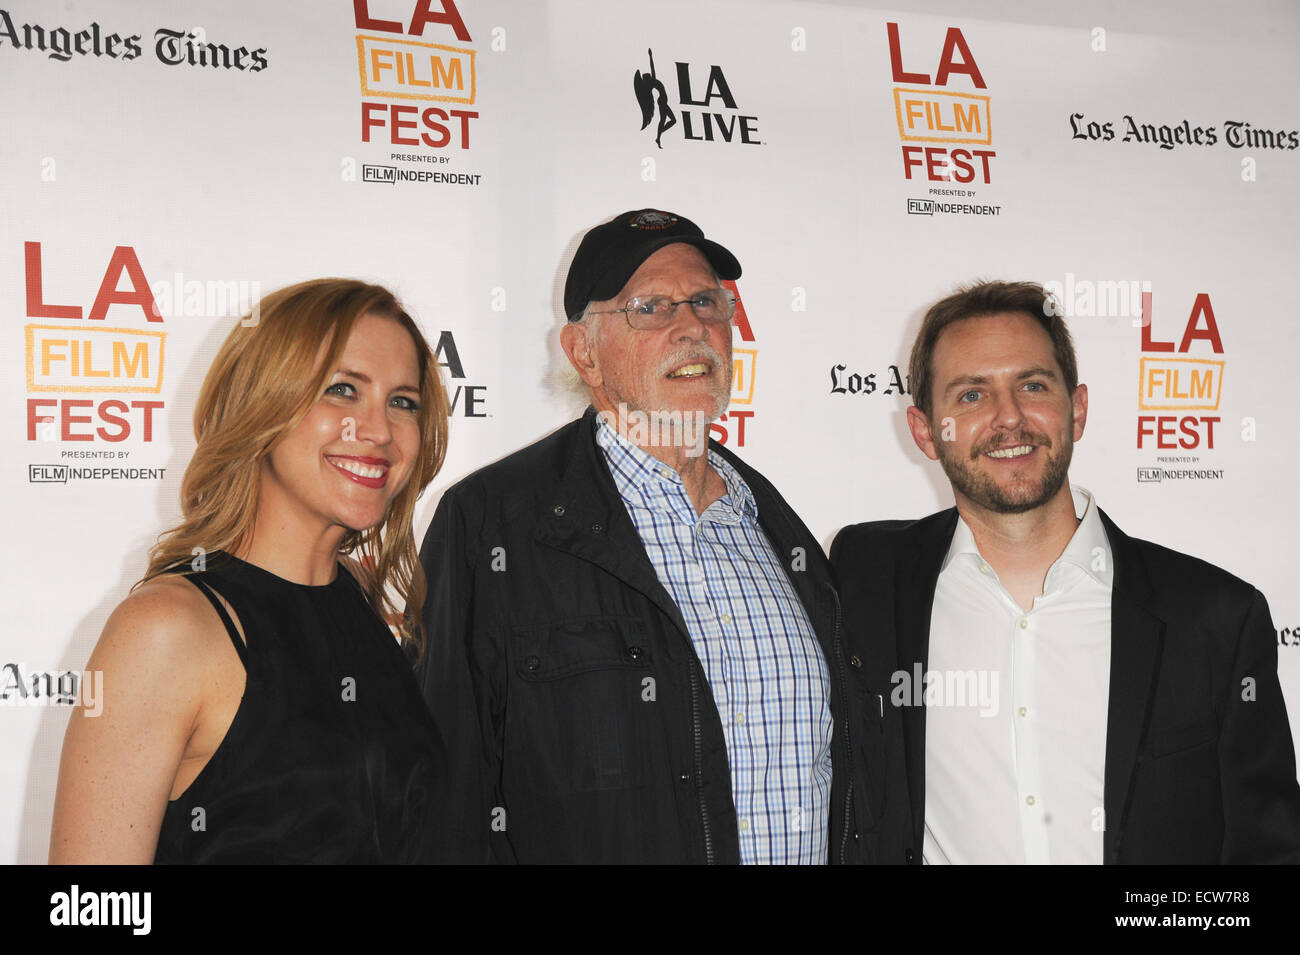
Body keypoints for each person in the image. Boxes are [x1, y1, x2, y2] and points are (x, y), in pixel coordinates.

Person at [418, 209, 880, 864]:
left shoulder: (780, 531)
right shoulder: (490, 525)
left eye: (705, 301)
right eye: (650, 307)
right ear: (584, 352)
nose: (692, 326)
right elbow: (447, 806)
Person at [831, 280, 1300, 864]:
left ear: (1076, 410)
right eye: (972, 395)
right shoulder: (866, 577)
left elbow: (1267, 852)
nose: (1010, 418)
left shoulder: (1214, 618)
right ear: (926, 431)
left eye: (1032, 385)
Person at [49, 278, 456, 864]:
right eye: (343, 390)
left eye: (403, 401)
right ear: (261, 406)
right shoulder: (168, 629)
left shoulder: (370, 606)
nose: (378, 431)